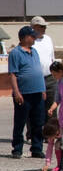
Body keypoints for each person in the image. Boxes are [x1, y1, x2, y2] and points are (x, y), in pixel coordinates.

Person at [9, 26, 46, 160]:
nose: (34, 38)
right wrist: (16, 92)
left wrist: (42, 89)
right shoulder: (15, 53)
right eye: (32, 36)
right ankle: (17, 149)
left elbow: (38, 70)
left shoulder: (34, 51)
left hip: (37, 92)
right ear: (24, 37)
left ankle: (37, 148)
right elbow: (13, 74)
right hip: (23, 93)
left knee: (38, 122)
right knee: (20, 121)